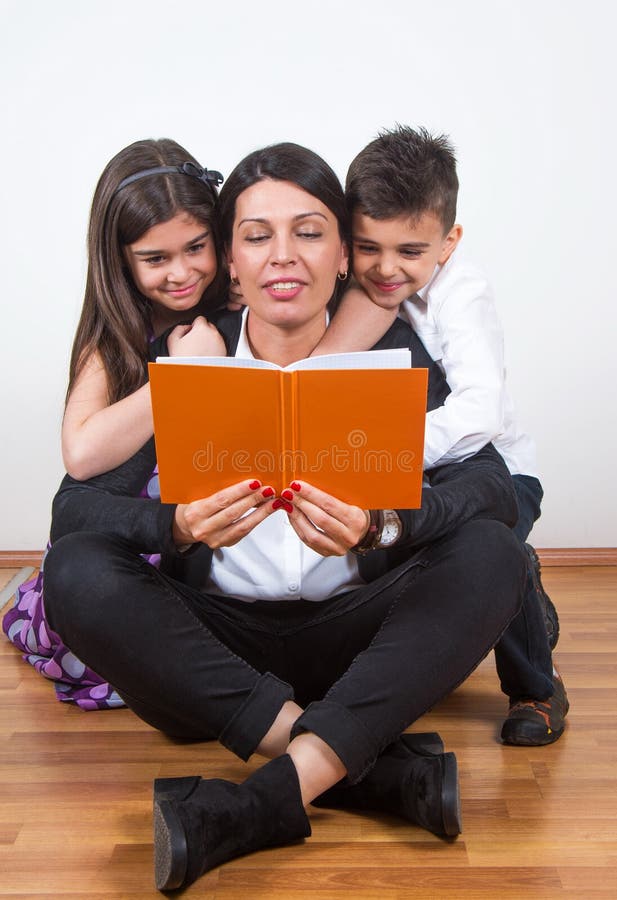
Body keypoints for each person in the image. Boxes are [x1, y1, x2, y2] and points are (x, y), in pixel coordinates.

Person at [42, 142, 526, 891]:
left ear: (343, 255)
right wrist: (176, 526)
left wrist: (382, 526)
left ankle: (260, 802)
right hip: (219, 654)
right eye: (256, 235)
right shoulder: (184, 355)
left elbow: (492, 487)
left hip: (355, 639)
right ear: (229, 263)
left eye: (308, 231)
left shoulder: (395, 349)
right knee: (74, 570)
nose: (283, 257)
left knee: (495, 553)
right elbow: (74, 511)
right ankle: (353, 765)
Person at [309, 126, 567, 747]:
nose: (386, 268)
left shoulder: (462, 293)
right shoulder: (357, 288)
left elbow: (481, 411)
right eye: (368, 247)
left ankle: (537, 685)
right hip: (423, 463)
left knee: (491, 543)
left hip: (498, 468)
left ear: (449, 241)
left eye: (410, 251)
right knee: (400, 551)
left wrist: (387, 450)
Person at [2, 138, 227, 707]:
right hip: (139, 532)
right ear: (121, 260)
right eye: (155, 259)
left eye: (196, 247)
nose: (182, 272)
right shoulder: (115, 340)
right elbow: (80, 455)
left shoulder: (239, 301)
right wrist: (179, 375)